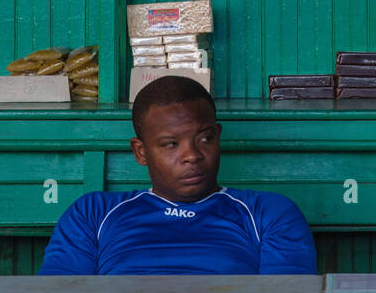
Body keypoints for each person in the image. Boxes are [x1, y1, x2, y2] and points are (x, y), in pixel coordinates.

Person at [39, 75, 317, 274]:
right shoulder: (93, 214)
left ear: (218, 137)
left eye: (205, 138)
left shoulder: (267, 213)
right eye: (171, 144)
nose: (192, 155)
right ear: (141, 152)